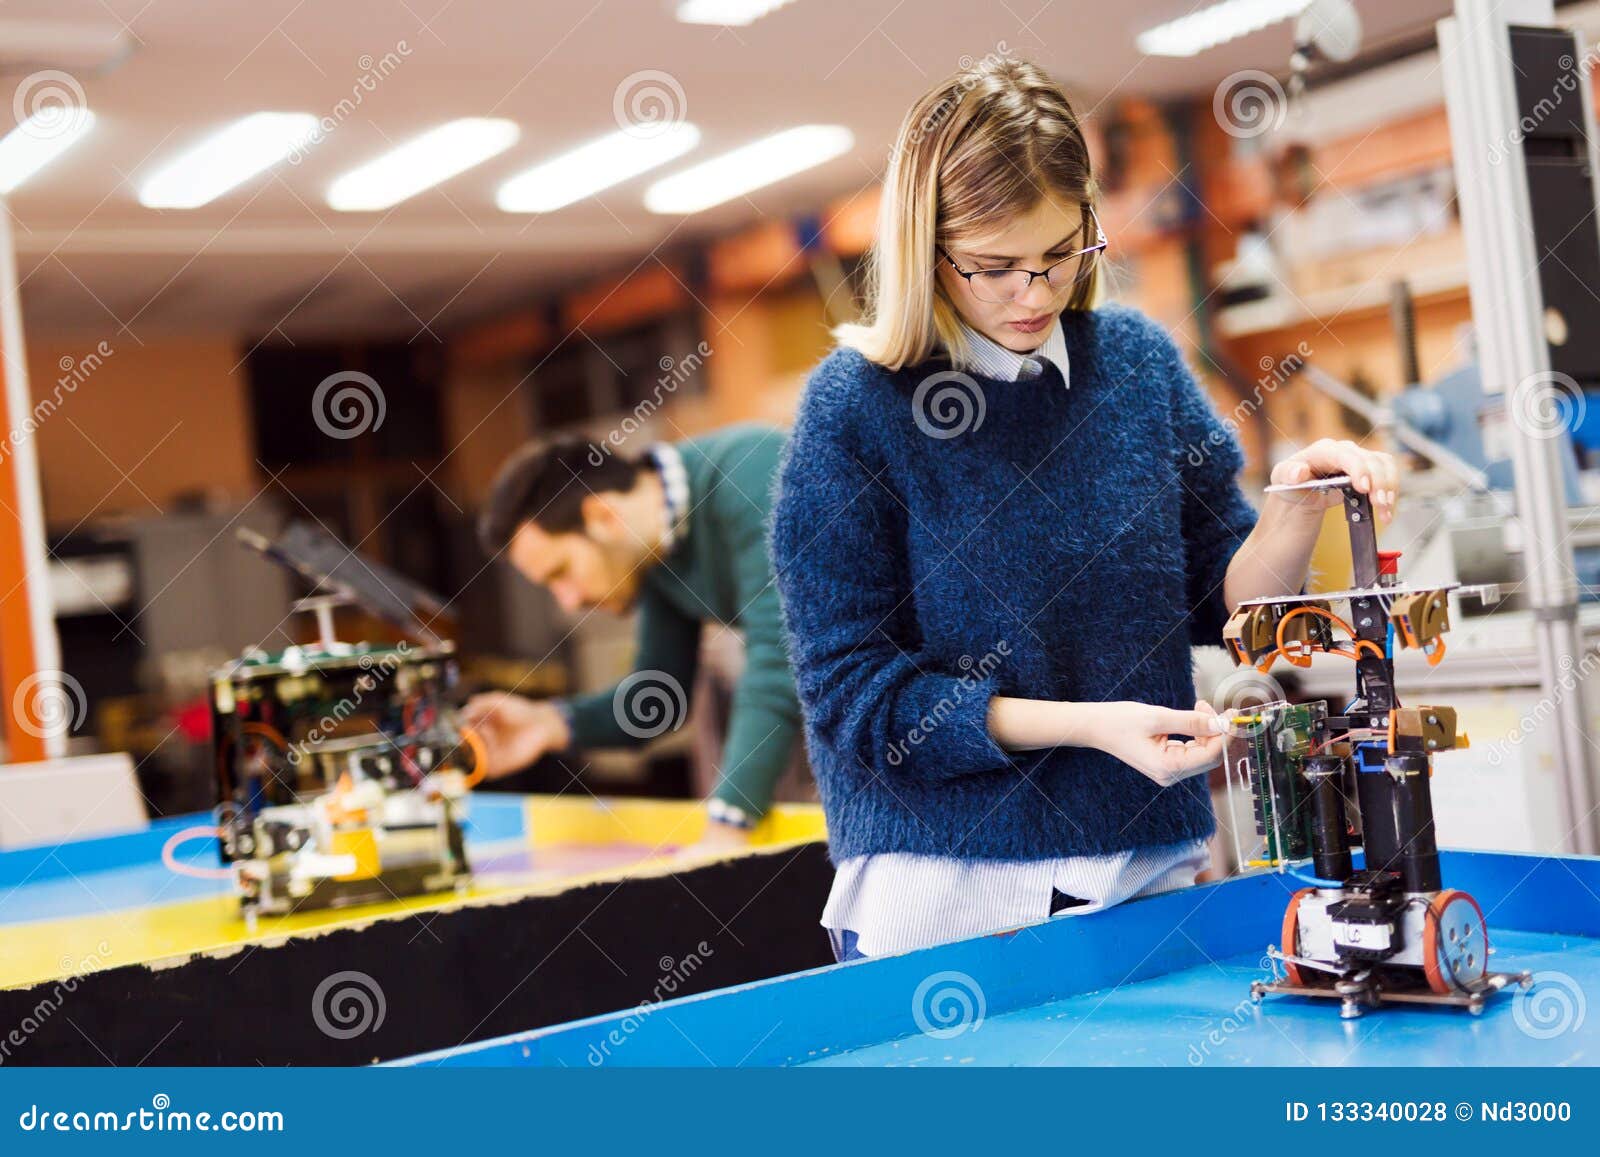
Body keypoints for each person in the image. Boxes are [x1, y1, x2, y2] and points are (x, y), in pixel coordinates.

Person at [769, 57, 1399, 961]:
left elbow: (1236, 614)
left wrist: (1294, 507)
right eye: (993, 268)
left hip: (1145, 874)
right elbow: (856, 700)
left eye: (1060, 255)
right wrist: (1087, 723)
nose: (1034, 295)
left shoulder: (1136, 366)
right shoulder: (856, 408)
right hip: (947, 901)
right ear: (924, 249)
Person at [465, 425, 802, 847]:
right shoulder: (655, 554)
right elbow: (659, 698)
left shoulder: (751, 475)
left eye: (561, 572)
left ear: (603, 516)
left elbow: (783, 658)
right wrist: (547, 723)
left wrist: (728, 823)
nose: (567, 601)